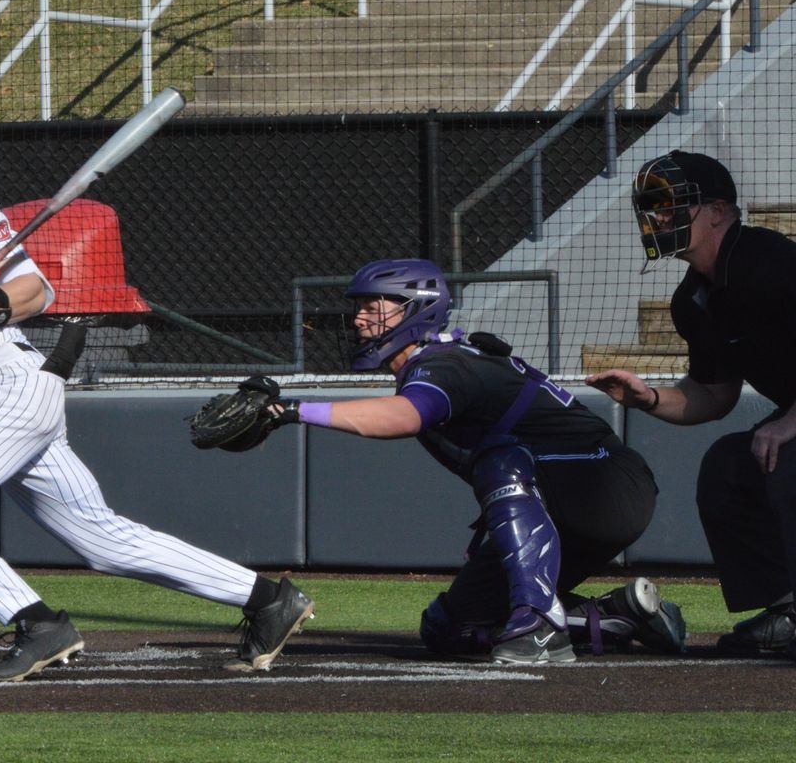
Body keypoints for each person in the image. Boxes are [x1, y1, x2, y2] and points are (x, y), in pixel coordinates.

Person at [0, 99, 314, 681]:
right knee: (100, 539)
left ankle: (38, 625)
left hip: (10, 380)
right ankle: (269, 601)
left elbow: (35, 291)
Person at [250, 258, 685, 664]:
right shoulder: (435, 364)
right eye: (358, 308)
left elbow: (405, 416)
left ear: (416, 309)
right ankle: (621, 616)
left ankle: (539, 620)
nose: (359, 319)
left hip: (602, 484)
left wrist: (293, 410)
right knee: (450, 629)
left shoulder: (443, 364)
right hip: (566, 502)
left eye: (372, 307)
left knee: (502, 460)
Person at [587, 150, 796, 660]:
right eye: (651, 207)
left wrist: (791, 421)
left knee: (786, 461)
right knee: (728, 466)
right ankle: (786, 611)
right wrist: (648, 398)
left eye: (668, 205)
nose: (657, 219)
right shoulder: (693, 302)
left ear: (718, 211)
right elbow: (714, 394)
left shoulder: (772, 262)